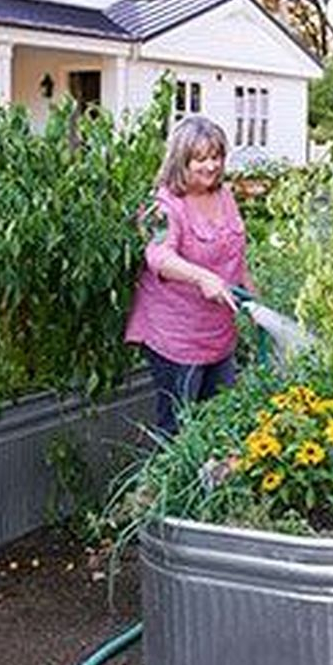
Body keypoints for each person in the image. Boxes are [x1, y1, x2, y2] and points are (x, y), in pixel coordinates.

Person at [125, 115, 256, 435]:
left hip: (218, 333)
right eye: (200, 159)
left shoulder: (224, 195)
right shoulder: (162, 204)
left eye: (216, 157)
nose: (211, 166)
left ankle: (211, 485)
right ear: (180, 160)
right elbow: (158, 256)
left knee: (218, 424)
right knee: (177, 431)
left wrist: (253, 299)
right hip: (176, 337)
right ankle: (167, 486)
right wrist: (202, 277)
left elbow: (236, 255)